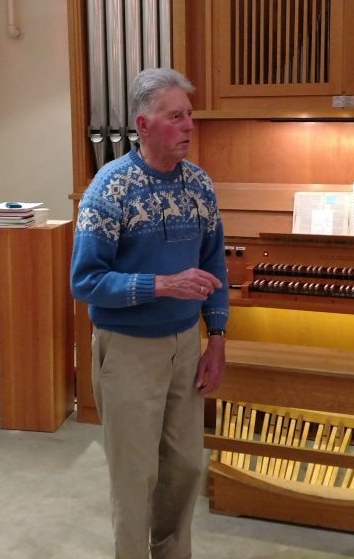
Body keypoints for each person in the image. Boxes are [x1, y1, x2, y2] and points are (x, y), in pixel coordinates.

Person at [70, 67, 229, 559]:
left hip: (185, 345)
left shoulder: (199, 186)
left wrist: (216, 337)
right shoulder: (109, 188)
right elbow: (85, 281)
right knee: (135, 475)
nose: (188, 126)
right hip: (128, 350)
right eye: (175, 116)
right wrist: (161, 284)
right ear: (143, 124)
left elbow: (213, 262)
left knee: (183, 467)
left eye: (190, 116)